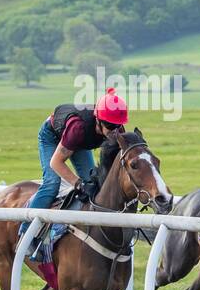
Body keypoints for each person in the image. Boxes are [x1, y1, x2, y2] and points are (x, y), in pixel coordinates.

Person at [19, 88, 129, 242]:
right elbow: (55, 163)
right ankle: (25, 234)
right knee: (52, 184)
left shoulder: (116, 128)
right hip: (53, 136)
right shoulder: (78, 128)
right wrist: (78, 184)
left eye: (118, 125)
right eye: (110, 126)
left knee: (94, 183)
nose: (114, 131)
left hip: (78, 142)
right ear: (98, 119)